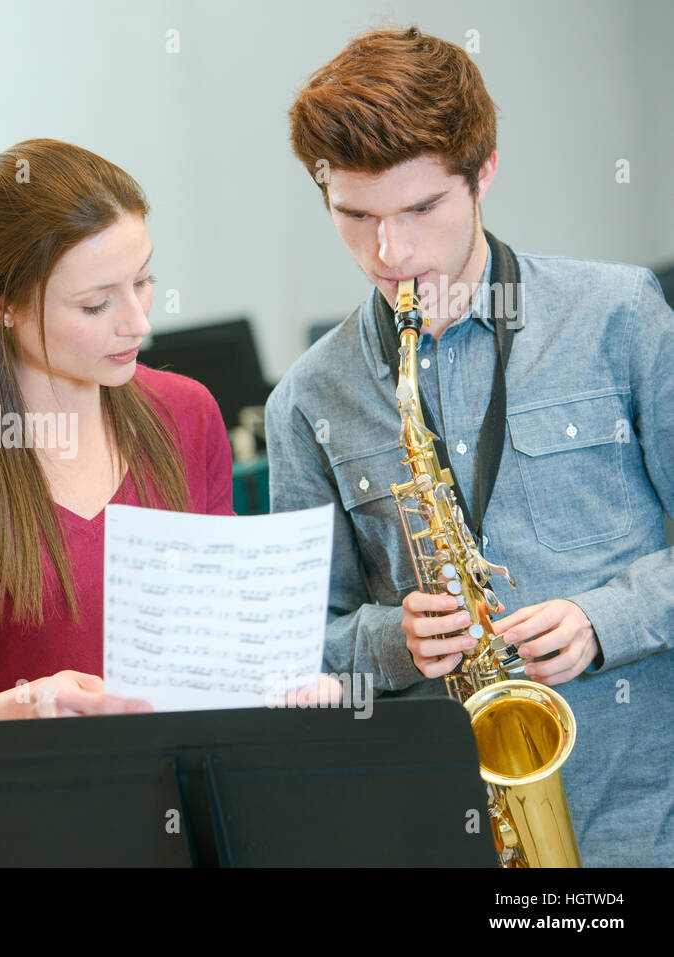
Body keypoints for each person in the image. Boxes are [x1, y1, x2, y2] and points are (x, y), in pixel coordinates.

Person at [267, 26, 674, 866]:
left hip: (645, 812)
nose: (392, 252)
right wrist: (391, 641)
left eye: (421, 208)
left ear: (483, 171)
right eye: (355, 216)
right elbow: (296, 648)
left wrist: (607, 619)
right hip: (449, 825)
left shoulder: (621, 315)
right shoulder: (308, 398)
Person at [0, 139, 245, 868]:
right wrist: (23, 708)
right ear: (1, 304)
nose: (138, 323)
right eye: (96, 304)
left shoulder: (187, 413)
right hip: (0, 840)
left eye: (144, 282)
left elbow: (214, 641)